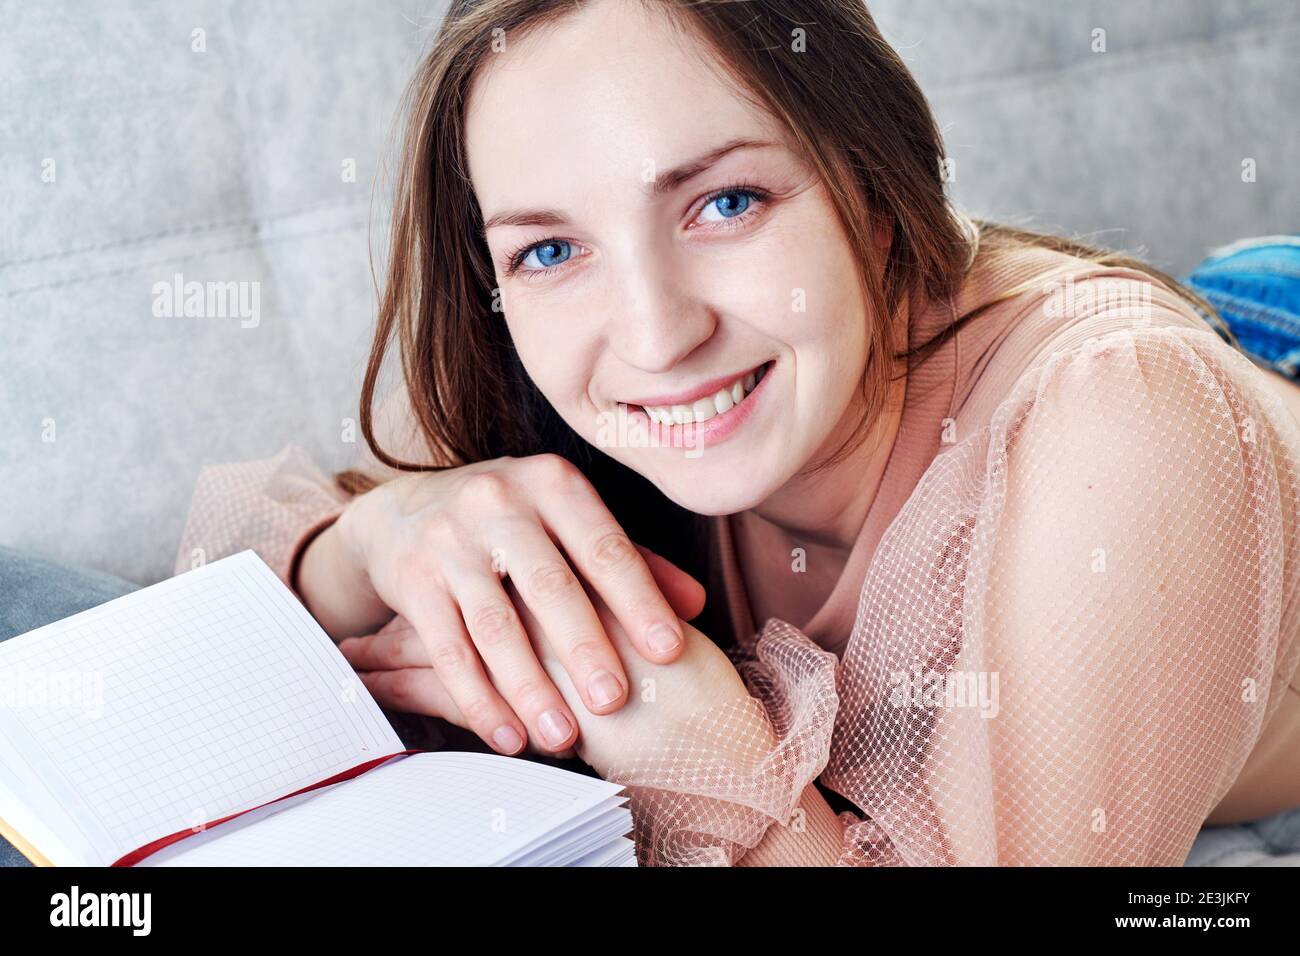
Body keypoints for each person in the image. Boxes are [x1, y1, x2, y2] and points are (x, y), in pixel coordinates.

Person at [7, 0, 1300, 866]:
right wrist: (380, 537)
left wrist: (665, 724)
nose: (654, 335)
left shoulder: (1125, 419)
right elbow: (210, 641)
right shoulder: (585, 387)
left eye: (726, 201)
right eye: (553, 247)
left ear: (881, 193)